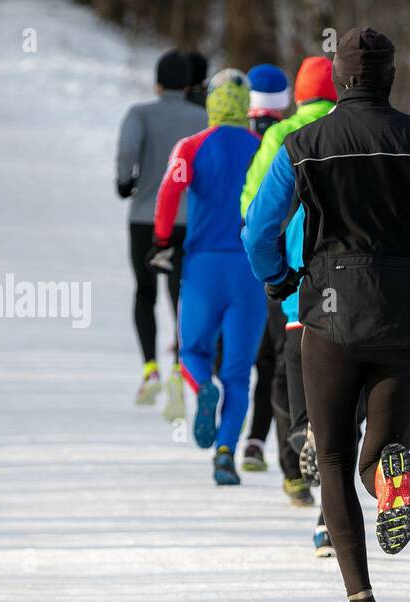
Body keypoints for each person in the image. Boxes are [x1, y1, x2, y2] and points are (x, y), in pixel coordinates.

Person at [243, 27, 410, 602]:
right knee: (379, 452)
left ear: (339, 75)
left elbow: (257, 231)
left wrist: (281, 281)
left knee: (329, 456)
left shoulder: (303, 144)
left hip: (329, 313)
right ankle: (391, 476)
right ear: (390, 76)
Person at [151, 69, 268, 486]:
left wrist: (162, 238)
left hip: (202, 267)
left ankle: (202, 388)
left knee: (192, 352)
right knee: (238, 371)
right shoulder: (262, 148)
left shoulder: (191, 148)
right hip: (249, 272)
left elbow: (168, 193)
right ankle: (224, 452)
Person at [241, 57, 339, 534]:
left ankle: (295, 466)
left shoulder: (283, 134)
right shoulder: (349, 129)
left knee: (285, 365)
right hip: (352, 281)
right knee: (347, 380)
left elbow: (252, 203)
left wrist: (274, 263)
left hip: (293, 274)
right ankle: (333, 490)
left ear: (298, 94)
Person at [116, 50, 205, 414]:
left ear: (157, 83)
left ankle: (149, 369)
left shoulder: (140, 114)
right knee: (181, 296)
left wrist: (126, 183)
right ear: (188, 85)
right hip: (188, 221)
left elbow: (126, 150)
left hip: (145, 219)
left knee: (145, 292)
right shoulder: (202, 118)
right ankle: (176, 371)